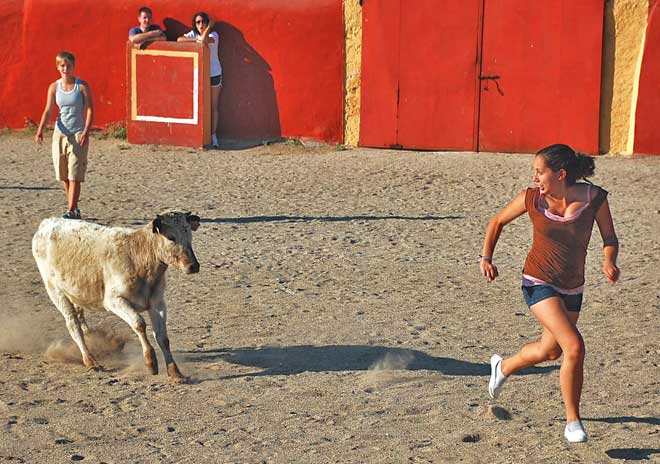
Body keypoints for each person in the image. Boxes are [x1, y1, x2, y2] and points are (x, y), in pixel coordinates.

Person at [480, 144, 620, 443]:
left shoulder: (595, 198)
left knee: (551, 351)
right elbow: (497, 221)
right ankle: (573, 422)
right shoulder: (531, 198)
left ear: (561, 174)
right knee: (574, 346)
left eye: (539, 172)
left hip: (573, 285)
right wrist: (486, 258)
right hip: (538, 281)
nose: (535, 178)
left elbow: (609, 236)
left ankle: (502, 366)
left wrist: (609, 260)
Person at [35, 51, 94, 219]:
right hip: (60, 134)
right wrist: (40, 130)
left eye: (69, 65)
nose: (65, 68)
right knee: (65, 176)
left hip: (77, 134)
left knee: (75, 174)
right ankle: (74, 208)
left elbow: (89, 109)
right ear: (57, 67)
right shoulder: (54, 87)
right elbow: (48, 111)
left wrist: (86, 130)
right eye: (62, 65)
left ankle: (71, 209)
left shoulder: (82, 86)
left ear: (73, 67)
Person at [177, 12, 222, 148]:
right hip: (199, 74)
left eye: (203, 22)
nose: (201, 25)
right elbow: (179, 40)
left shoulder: (214, 35)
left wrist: (210, 27)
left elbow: (204, 40)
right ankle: (200, 136)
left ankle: (214, 136)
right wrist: (195, 40)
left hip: (213, 73)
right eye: (198, 22)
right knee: (198, 106)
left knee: (213, 106)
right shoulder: (193, 34)